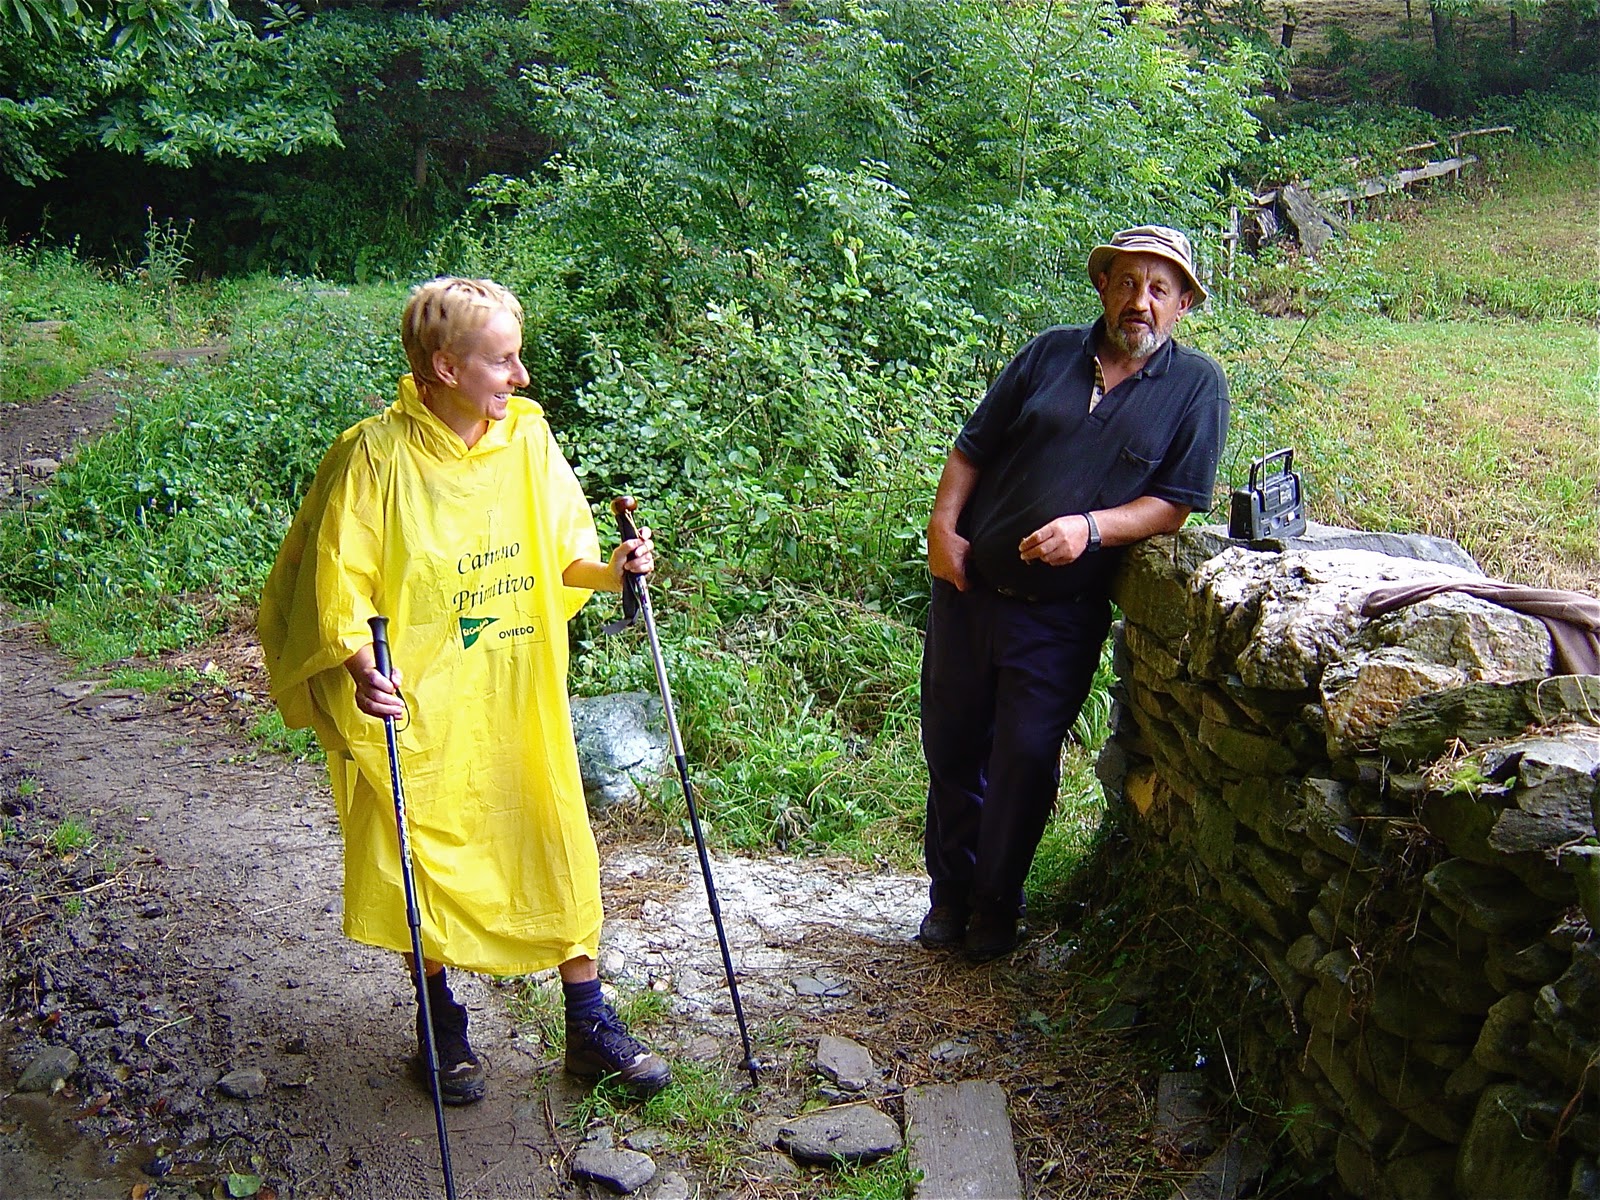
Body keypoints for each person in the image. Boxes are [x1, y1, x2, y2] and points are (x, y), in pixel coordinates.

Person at [258, 277, 672, 1104]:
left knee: (553, 836)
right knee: (423, 852)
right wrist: (357, 668)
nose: (519, 378)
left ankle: (588, 1023)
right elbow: (337, 586)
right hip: (421, 701)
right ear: (445, 368)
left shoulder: (525, 440)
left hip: (515, 691)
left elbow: (566, 559)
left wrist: (615, 568)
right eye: (503, 361)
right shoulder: (374, 455)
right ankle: (441, 1026)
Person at [919, 226, 1230, 962]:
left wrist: (1090, 529)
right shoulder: (1051, 352)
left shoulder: (1197, 386)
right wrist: (942, 527)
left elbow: (1176, 502)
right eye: (1126, 283)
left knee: (1025, 759)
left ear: (1183, 304)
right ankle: (948, 897)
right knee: (954, 750)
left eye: (1159, 290)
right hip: (968, 593)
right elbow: (971, 448)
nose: (1140, 302)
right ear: (1103, 286)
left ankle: (996, 907)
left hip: (1058, 617)